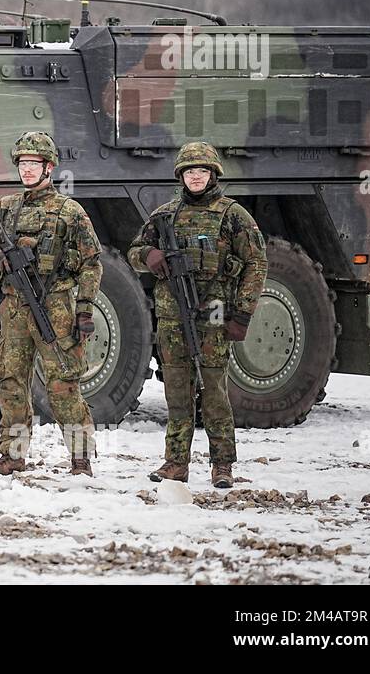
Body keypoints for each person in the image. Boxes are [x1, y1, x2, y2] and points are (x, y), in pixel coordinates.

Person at [128, 142, 268, 488]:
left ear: (213, 175)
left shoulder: (232, 214)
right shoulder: (164, 216)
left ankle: (222, 465)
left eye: (202, 171)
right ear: (181, 176)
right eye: (189, 171)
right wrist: (149, 256)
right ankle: (176, 463)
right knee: (177, 391)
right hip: (173, 316)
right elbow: (132, 251)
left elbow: (256, 263)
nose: (195, 176)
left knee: (215, 390)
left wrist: (243, 314)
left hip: (215, 312)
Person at [0, 131, 102, 477]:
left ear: (49, 167)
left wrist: (84, 309)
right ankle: (12, 455)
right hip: (13, 307)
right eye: (23, 164)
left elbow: (91, 262)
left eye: (34, 164)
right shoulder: (5, 209)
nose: (27, 170)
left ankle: (81, 457)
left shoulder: (69, 212)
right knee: (11, 381)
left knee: (62, 384)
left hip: (54, 307)